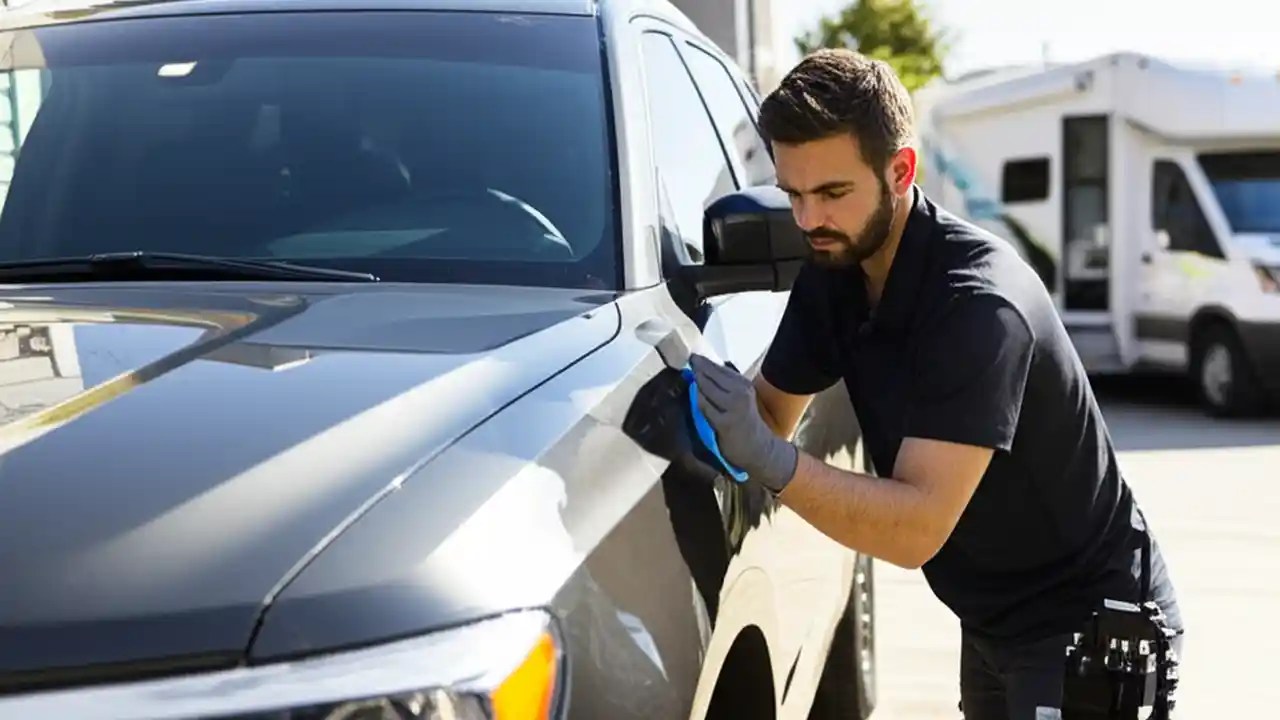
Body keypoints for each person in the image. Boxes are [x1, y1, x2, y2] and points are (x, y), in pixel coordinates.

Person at [687, 48, 1183, 719]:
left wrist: (773, 462)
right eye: (793, 194)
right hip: (991, 621)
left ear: (901, 170)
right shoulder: (835, 268)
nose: (808, 221)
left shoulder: (978, 305)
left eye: (832, 193)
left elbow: (915, 527)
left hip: (1089, 624)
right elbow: (768, 415)